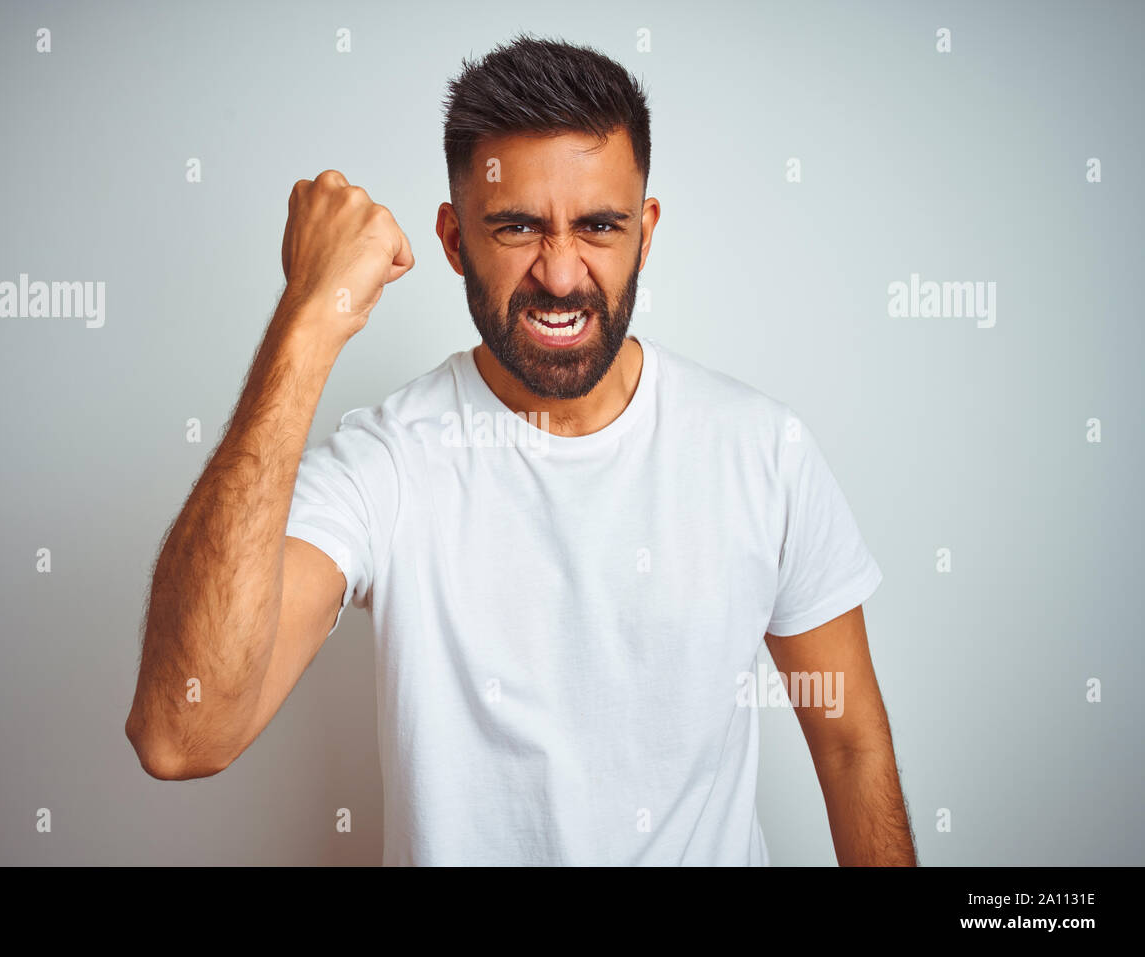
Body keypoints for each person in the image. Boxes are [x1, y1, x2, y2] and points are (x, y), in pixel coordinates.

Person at [124, 33, 916, 866]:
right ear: (456, 239)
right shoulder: (391, 464)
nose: (563, 274)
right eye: (518, 228)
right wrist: (310, 316)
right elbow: (183, 734)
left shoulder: (763, 451)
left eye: (600, 226)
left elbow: (851, 745)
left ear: (645, 232)